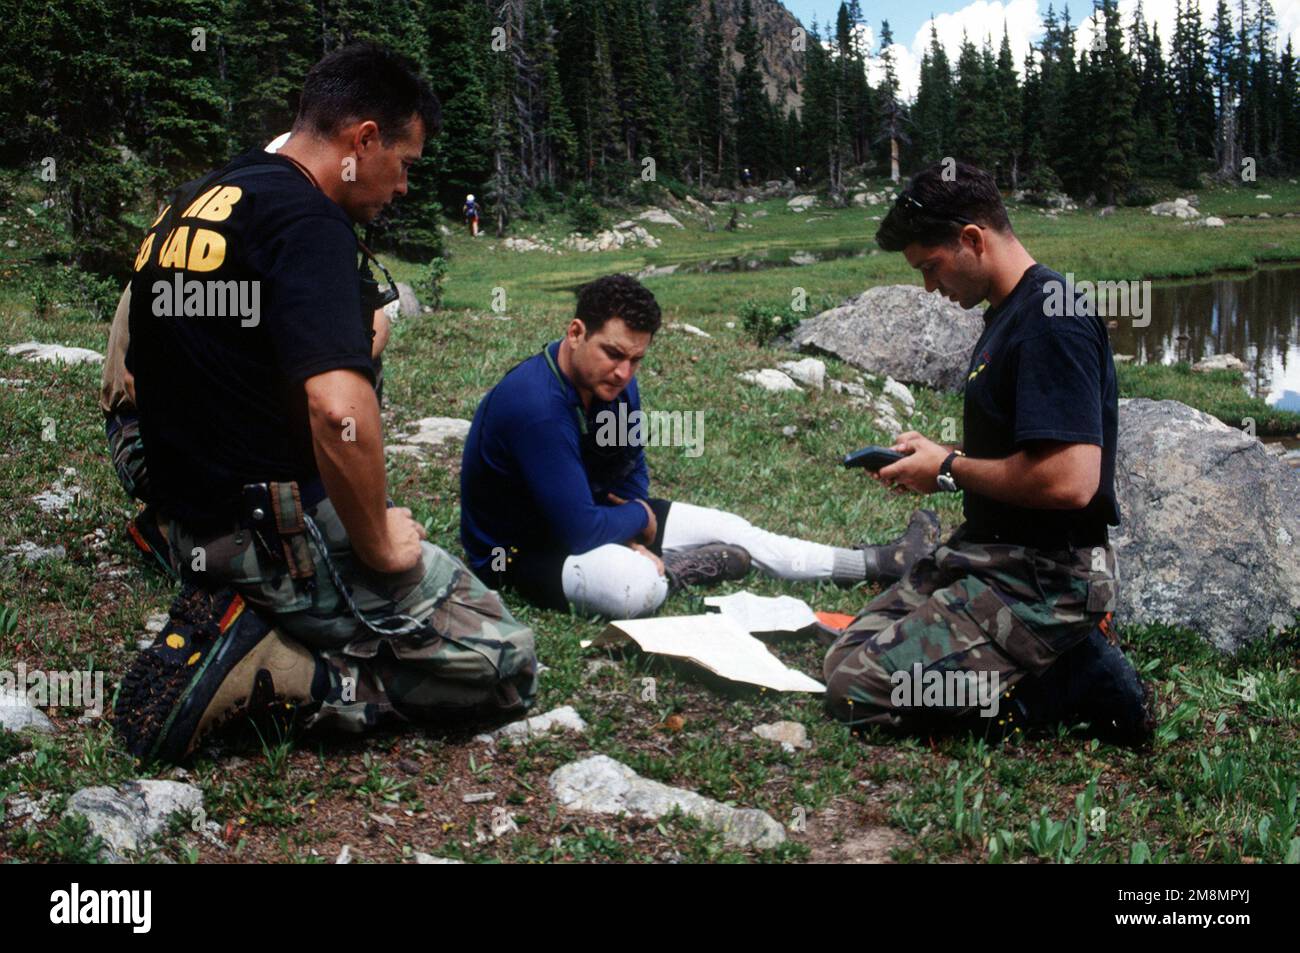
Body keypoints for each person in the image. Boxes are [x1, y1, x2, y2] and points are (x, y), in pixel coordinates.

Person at [113, 43, 537, 764]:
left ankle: (221, 584)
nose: (403, 187)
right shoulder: (310, 223)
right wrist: (376, 539)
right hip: (264, 533)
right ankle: (288, 673)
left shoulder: (201, 197)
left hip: (182, 505)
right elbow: (338, 413)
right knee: (502, 661)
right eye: (405, 164)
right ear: (363, 140)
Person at [821, 160, 1154, 745]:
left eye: (931, 266)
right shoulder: (1010, 313)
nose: (929, 286)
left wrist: (948, 466)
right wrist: (941, 462)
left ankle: (1068, 685)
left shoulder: (1052, 319)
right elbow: (1021, 456)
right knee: (845, 651)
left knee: (857, 687)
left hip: (1043, 579)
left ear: (972, 239)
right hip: (989, 557)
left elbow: (1071, 481)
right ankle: (1047, 663)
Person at [459, 273, 939, 619]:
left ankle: (875, 562)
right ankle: (676, 570)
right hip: (523, 551)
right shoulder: (536, 406)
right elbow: (580, 529)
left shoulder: (613, 384)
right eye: (613, 353)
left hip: (591, 516)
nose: (624, 372)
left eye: (636, 359)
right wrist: (637, 524)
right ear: (576, 332)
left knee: (735, 527)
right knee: (633, 587)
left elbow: (632, 475)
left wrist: (633, 524)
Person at [99, 128, 394, 580]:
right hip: (150, 440)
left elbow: (367, 329)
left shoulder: (222, 230)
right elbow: (158, 382)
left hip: (182, 436)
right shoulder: (252, 243)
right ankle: (179, 527)